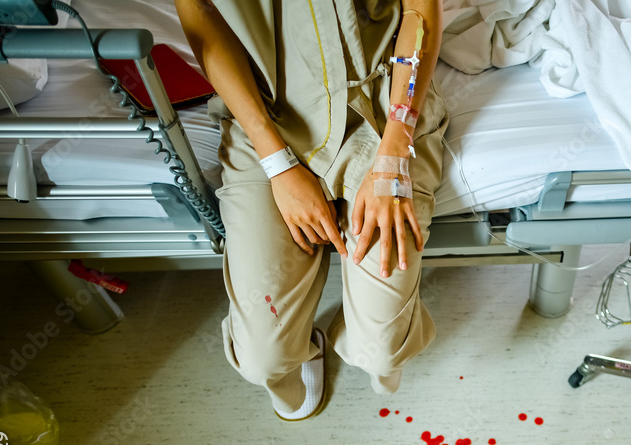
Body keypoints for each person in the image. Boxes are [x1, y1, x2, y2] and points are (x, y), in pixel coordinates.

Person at [175, 0, 447, 420]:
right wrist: (277, 163)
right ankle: (296, 366)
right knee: (262, 359)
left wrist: (395, 149)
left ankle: (369, 348)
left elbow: (420, 9)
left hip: (385, 107)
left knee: (382, 351)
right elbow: (203, 21)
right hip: (265, 118)